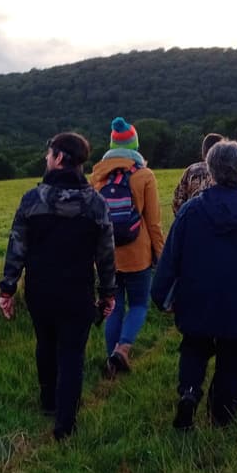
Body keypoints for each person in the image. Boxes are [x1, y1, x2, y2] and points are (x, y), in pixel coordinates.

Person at [151, 140, 237, 428]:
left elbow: (170, 258)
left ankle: (189, 392)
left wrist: (161, 294)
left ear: (210, 171)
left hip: (197, 295)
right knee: (234, 357)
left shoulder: (190, 211)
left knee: (194, 345)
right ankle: (223, 416)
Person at [0, 132, 116, 440]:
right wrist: (108, 293)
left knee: (45, 344)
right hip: (77, 291)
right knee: (72, 354)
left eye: (49, 154)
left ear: (60, 158)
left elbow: (17, 247)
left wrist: (7, 289)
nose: (46, 159)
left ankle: (49, 402)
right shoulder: (96, 204)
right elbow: (106, 254)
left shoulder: (32, 200)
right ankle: (66, 423)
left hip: (40, 290)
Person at [89, 117, 165, 377]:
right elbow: (153, 222)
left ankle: (111, 365)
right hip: (138, 254)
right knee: (140, 305)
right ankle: (122, 350)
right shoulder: (144, 175)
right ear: (135, 145)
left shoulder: (97, 177)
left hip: (106, 256)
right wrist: (161, 255)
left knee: (113, 307)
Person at [172, 133, 225, 214]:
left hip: (193, 220)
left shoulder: (191, 170)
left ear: (204, 150)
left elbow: (178, 201)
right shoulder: (227, 171)